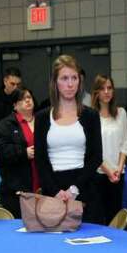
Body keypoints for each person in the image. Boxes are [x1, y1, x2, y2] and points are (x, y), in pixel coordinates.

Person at [35, 54, 104, 224]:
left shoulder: (91, 115)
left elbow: (96, 156)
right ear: (55, 83)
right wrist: (56, 191)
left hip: (84, 186)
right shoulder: (43, 117)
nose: (70, 84)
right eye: (64, 78)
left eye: (74, 78)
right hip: (53, 189)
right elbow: (40, 159)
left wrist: (74, 190)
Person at [0, 85, 38, 217]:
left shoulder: (42, 121)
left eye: (29, 97)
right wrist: (23, 152)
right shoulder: (4, 126)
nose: (27, 101)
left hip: (42, 182)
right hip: (16, 187)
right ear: (15, 105)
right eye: (22, 99)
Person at [91, 74, 127, 224]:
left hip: (118, 173)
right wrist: (108, 171)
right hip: (99, 173)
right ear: (96, 92)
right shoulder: (90, 116)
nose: (106, 92)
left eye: (109, 88)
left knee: (115, 216)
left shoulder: (121, 113)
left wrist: (119, 169)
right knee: (99, 217)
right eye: (102, 88)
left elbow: (125, 144)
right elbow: (91, 150)